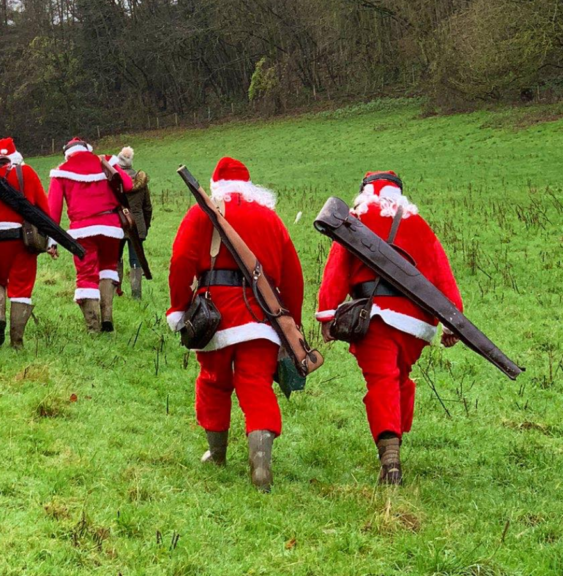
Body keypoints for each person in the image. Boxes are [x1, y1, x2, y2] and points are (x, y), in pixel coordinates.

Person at [166, 157, 303, 492]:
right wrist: (293, 324)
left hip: (215, 318)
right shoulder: (269, 217)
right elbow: (293, 274)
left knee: (213, 383)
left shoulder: (203, 212)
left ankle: (217, 454)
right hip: (262, 320)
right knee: (256, 386)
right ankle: (260, 466)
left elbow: (181, 260)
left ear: (217, 186)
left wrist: (179, 308)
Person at [316, 171, 462, 485]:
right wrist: (454, 320)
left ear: (365, 191)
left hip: (374, 318)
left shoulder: (354, 219)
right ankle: (395, 439)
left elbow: (337, 269)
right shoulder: (418, 224)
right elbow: (442, 272)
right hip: (416, 325)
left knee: (382, 380)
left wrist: (328, 314)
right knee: (401, 379)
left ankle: (390, 455)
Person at [0, 137, 53, 348]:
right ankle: (17, 342)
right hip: (21, 239)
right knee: (21, 287)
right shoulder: (27, 173)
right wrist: (51, 241)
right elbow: (43, 208)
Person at [47, 138, 132, 333]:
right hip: (111, 228)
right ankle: (107, 317)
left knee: (86, 275)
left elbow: (54, 210)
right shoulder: (106, 162)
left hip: (82, 231)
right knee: (109, 268)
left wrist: (52, 241)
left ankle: (93, 327)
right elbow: (127, 184)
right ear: (88, 149)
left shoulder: (61, 172)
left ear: (67, 154)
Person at [116, 146, 152, 299]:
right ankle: (136, 294)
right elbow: (147, 207)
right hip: (136, 225)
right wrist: (146, 225)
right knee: (136, 260)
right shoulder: (141, 181)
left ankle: (115, 290)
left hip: (117, 224)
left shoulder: (113, 181)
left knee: (115, 259)